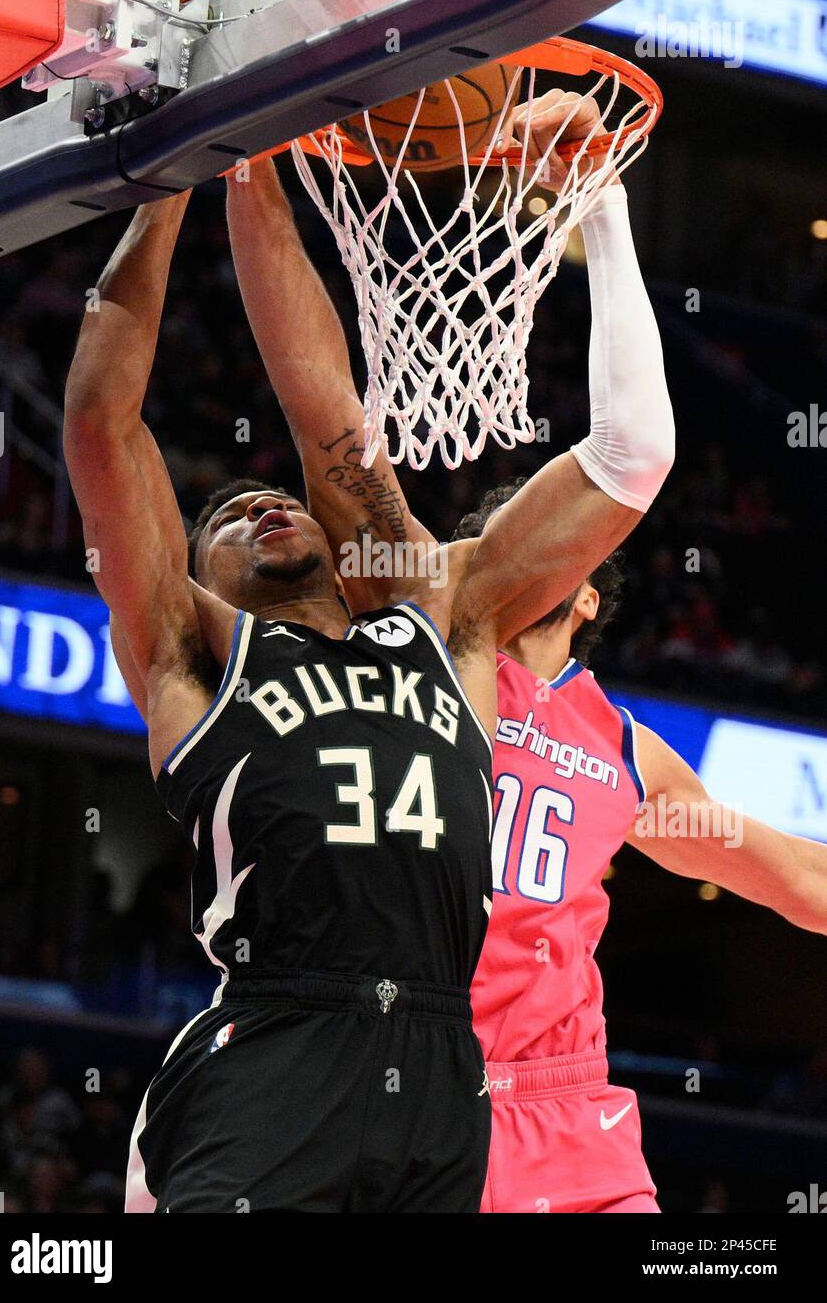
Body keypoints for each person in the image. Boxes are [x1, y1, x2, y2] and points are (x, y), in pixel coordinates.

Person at [63, 92, 672, 1214]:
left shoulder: (440, 626)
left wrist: (256, 167)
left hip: (440, 1071)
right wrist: (171, 178)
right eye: (229, 517)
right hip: (274, 1043)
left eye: (272, 499)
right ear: (198, 575)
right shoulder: (191, 659)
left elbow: (328, 412)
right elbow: (104, 422)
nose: (259, 507)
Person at [226, 92, 827, 1213]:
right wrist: (244, 166)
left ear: (582, 583)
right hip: (405, 1087)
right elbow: (326, 421)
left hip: (567, 1118)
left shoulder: (625, 753)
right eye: (486, 533)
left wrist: (599, 207)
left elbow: (795, 879)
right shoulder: (422, 631)